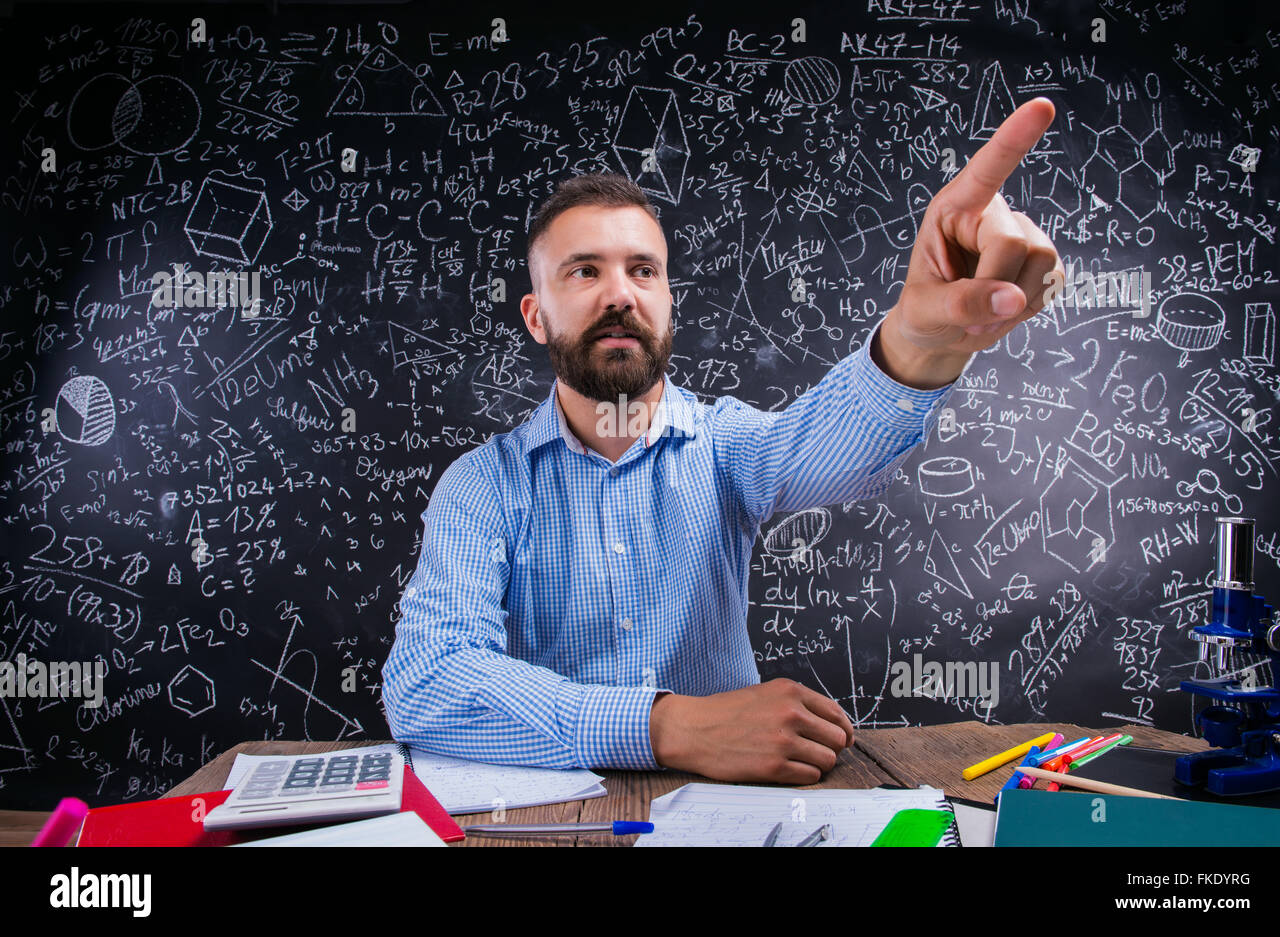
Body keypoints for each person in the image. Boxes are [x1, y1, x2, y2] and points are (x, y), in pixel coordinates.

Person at [382, 99, 1062, 784]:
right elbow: (426, 681)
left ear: (669, 300)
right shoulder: (483, 485)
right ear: (536, 314)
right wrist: (667, 726)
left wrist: (919, 339)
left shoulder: (724, 445)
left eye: (643, 270)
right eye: (584, 271)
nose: (620, 294)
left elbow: (830, 447)